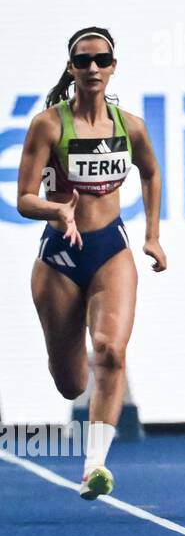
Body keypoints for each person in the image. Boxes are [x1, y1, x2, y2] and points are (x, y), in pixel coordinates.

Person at [15, 27, 166, 499]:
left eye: (102, 60)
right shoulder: (49, 125)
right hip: (59, 256)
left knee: (111, 352)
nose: (93, 68)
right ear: (71, 68)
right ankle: (68, 361)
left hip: (109, 249)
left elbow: (152, 171)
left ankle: (95, 466)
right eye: (84, 61)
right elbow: (22, 198)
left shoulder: (131, 126)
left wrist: (153, 236)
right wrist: (57, 209)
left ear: (114, 66)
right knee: (70, 381)